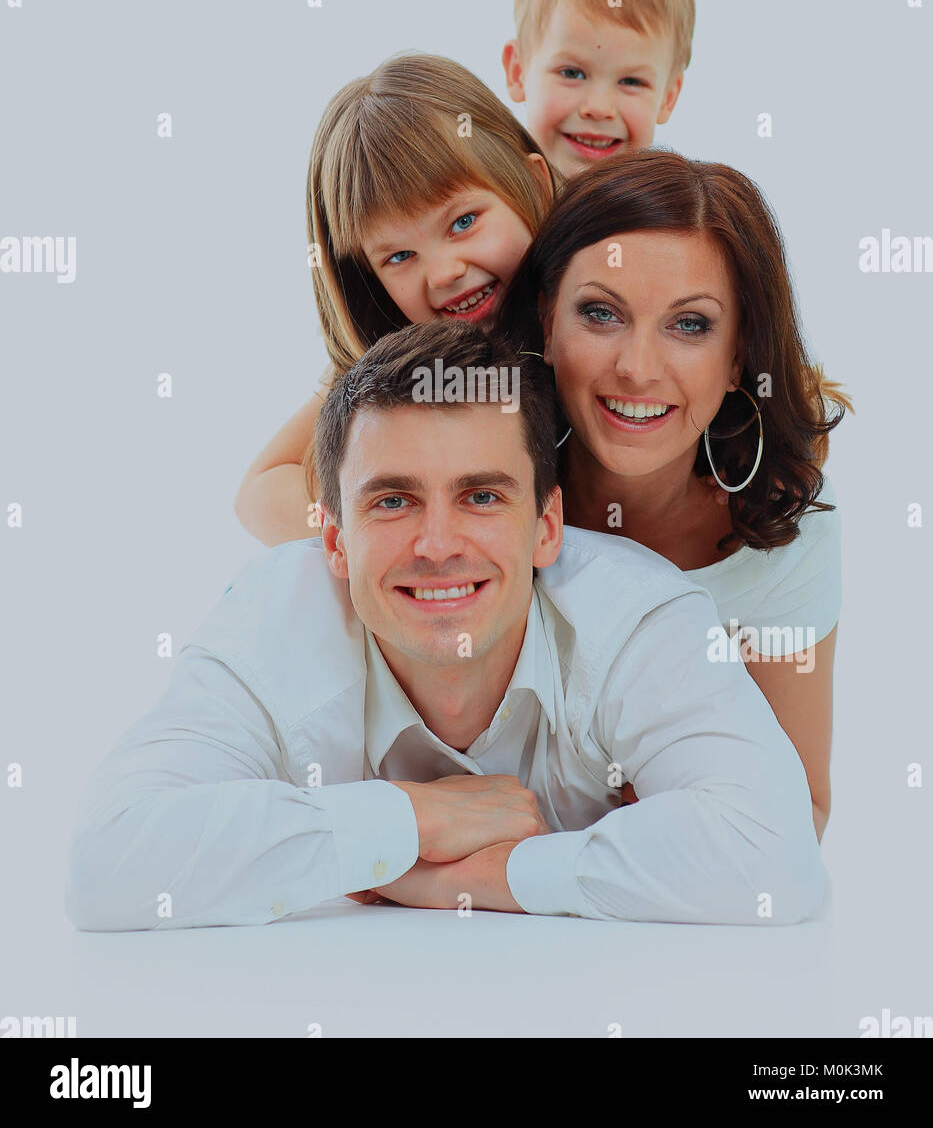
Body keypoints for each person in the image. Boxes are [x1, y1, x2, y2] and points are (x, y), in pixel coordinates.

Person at [66, 321, 826, 931]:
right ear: (332, 537)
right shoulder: (275, 616)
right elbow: (108, 862)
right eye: (392, 500)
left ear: (546, 526)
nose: (436, 546)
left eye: (482, 497)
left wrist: (471, 880)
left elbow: (776, 860)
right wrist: (411, 818)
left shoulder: (634, 619)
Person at [497, 149, 852, 840]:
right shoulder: (481, 471)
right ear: (546, 318)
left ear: (739, 354)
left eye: (689, 325)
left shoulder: (786, 531)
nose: (635, 368)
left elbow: (798, 813)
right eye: (600, 313)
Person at [234, 52, 557, 545]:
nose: (445, 273)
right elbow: (260, 492)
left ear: (533, 183)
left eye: (463, 222)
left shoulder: (595, 295)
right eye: (401, 256)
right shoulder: (397, 359)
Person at [502, 0, 694, 178]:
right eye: (572, 73)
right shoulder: (483, 203)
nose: (599, 108)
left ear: (668, 97)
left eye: (631, 81)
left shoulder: (675, 215)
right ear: (518, 72)